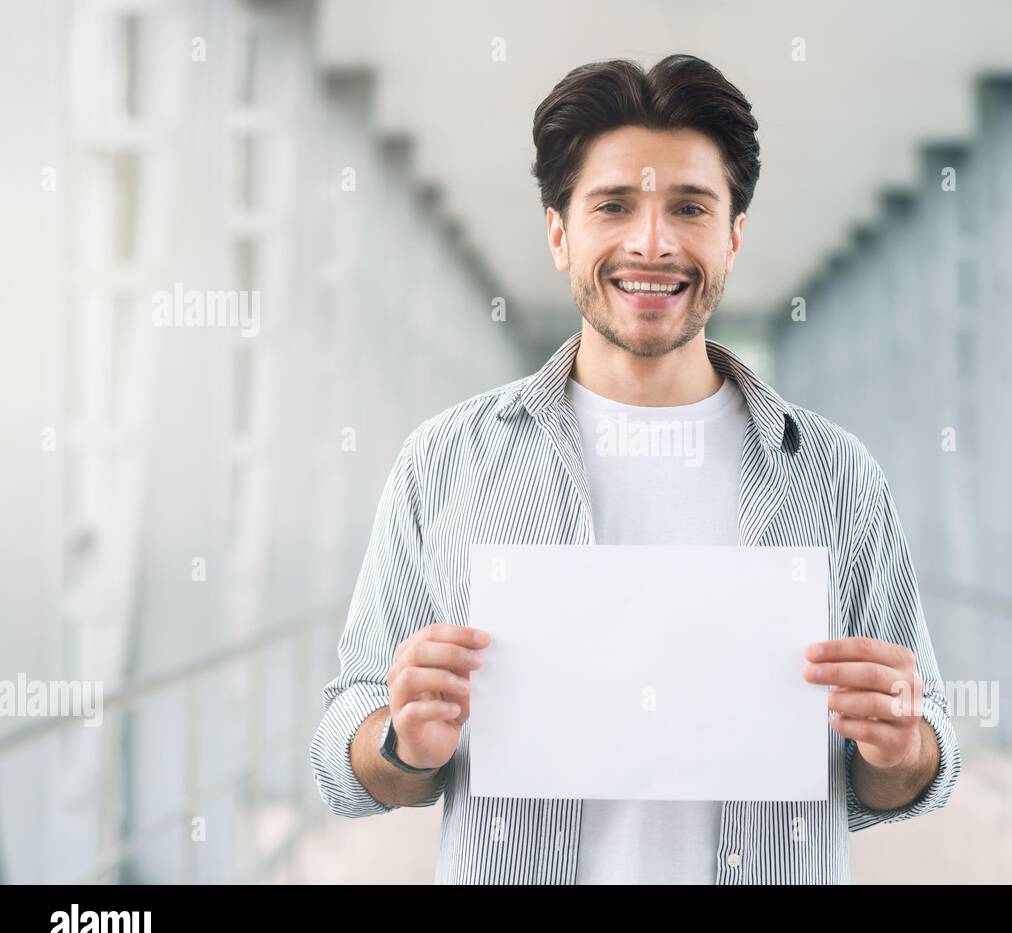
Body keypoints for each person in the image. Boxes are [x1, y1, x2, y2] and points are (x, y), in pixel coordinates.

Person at [310, 54, 960, 884]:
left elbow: (915, 760)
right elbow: (344, 755)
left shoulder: (835, 475)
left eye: (689, 207)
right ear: (559, 234)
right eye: (613, 205)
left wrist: (900, 746)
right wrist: (403, 742)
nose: (652, 243)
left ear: (732, 235)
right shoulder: (444, 463)